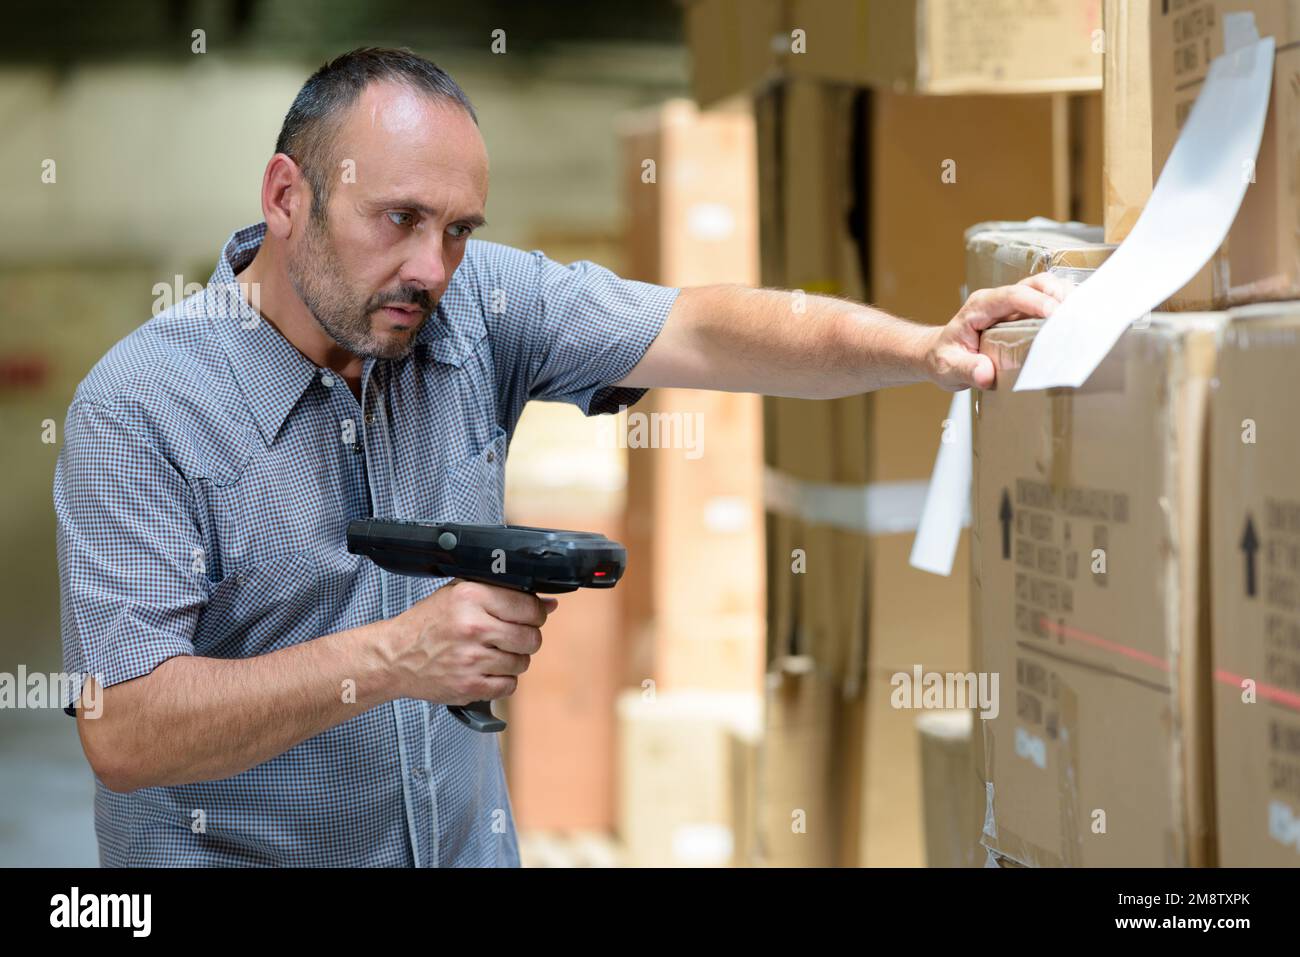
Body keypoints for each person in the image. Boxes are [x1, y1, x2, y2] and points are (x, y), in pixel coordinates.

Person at [55, 47, 1066, 867]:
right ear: (287, 196)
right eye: (399, 220)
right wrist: (393, 656)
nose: (430, 268)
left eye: (457, 230)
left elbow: (703, 328)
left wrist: (920, 346)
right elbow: (124, 727)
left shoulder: (476, 306)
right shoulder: (141, 408)